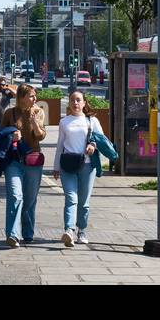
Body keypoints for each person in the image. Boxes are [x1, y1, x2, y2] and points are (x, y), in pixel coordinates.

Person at [53, 90, 105, 246]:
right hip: (67, 165)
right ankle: (69, 230)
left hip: (87, 167)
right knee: (71, 198)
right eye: (72, 100)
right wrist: (56, 167)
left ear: (84, 103)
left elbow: (101, 140)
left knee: (83, 202)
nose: (75, 103)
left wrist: (93, 145)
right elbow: (60, 145)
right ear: (69, 103)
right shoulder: (64, 122)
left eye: (78, 100)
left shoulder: (92, 121)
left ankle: (81, 230)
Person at [0, 83, 47, 247]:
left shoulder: (39, 112)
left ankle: (27, 232)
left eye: (35, 95)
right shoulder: (9, 113)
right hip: (13, 160)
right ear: (22, 97)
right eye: (32, 96)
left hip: (32, 159)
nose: (35, 99)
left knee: (30, 199)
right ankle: (12, 234)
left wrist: (35, 125)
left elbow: (41, 136)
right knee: (15, 196)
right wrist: (12, 136)